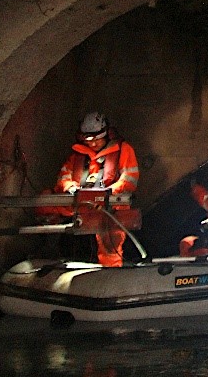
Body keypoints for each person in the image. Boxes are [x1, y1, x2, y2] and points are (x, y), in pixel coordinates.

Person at [38, 111, 139, 267]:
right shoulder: (77, 154)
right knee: (46, 201)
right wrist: (71, 188)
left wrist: (110, 192)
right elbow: (63, 177)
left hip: (108, 204)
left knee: (110, 237)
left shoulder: (123, 150)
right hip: (79, 202)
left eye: (96, 140)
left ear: (106, 134)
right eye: (88, 140)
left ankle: (110, 269)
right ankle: (47, 250)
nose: (92, 144)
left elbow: (129, 178)